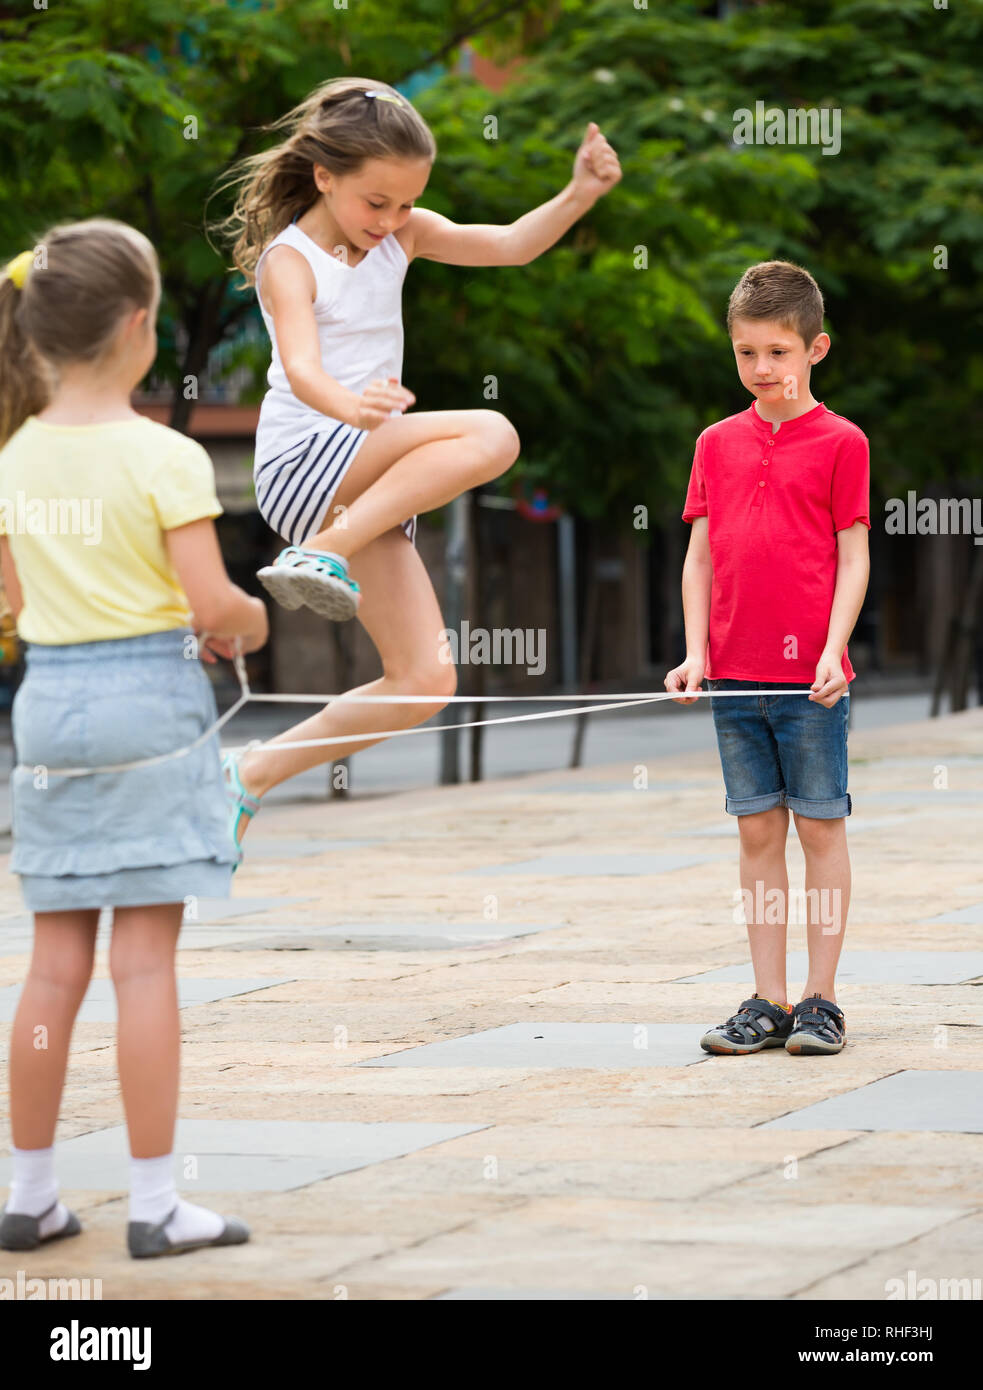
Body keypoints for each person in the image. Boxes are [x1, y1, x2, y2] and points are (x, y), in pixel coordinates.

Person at [214, 76, 621, 848]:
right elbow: (300, 368)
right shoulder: (289, 261)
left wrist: (579, 194)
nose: (391, 221)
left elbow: (508, 245)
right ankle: (321, 552)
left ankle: (248, 776)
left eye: (405, 204)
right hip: (307, 455)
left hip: (361, 472)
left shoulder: (402, 236)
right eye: (376, 203)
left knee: (425, 681)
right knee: (493, 435)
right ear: (324, 176)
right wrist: (349, 405)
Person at [0, 220, 268, 1257]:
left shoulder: (14, 457)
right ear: (138, 324)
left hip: (52, 705)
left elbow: (15, 602)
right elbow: (213, 605)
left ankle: (29, 1192)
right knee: (144, 962)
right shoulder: (165, 454)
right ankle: (156, 1205)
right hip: (149, 701)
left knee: (54, 958)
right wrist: (253, 617)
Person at [665, 260, 870, 1057]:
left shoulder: (841, 442)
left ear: (815, 348)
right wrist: (693, 654)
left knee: (820, 831)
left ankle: (821, 1001)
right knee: (756, 836)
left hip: (812, 684)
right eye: (747, 353)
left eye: (778, 353)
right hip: (734, 677)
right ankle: (766, 999)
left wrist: (831, 650)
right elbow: (698, 559)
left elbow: (852, 557)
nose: (762, 370)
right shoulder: (713, 443)